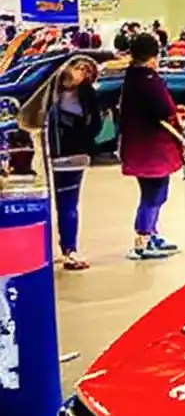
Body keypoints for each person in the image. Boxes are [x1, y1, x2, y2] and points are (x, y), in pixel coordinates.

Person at [117, 33, 184, 260]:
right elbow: (163, 109)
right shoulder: (148, 79)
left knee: (152, 193)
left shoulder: (131, 78)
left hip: (137, 146)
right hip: (152, 148)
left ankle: (151, 233)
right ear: (153, 55)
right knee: (154, 195)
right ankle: (143, 240)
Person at [49, 59, 102, 270]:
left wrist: (83, 141)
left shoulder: (88, 95)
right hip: (45, 155)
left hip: (72, 157)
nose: (81, 73)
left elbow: (95, 124)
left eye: (86, 70)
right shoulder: (47, 91)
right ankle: (44, 250)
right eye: (78, 67)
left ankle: (69, 250)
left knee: (68, 205)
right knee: (44, 207)